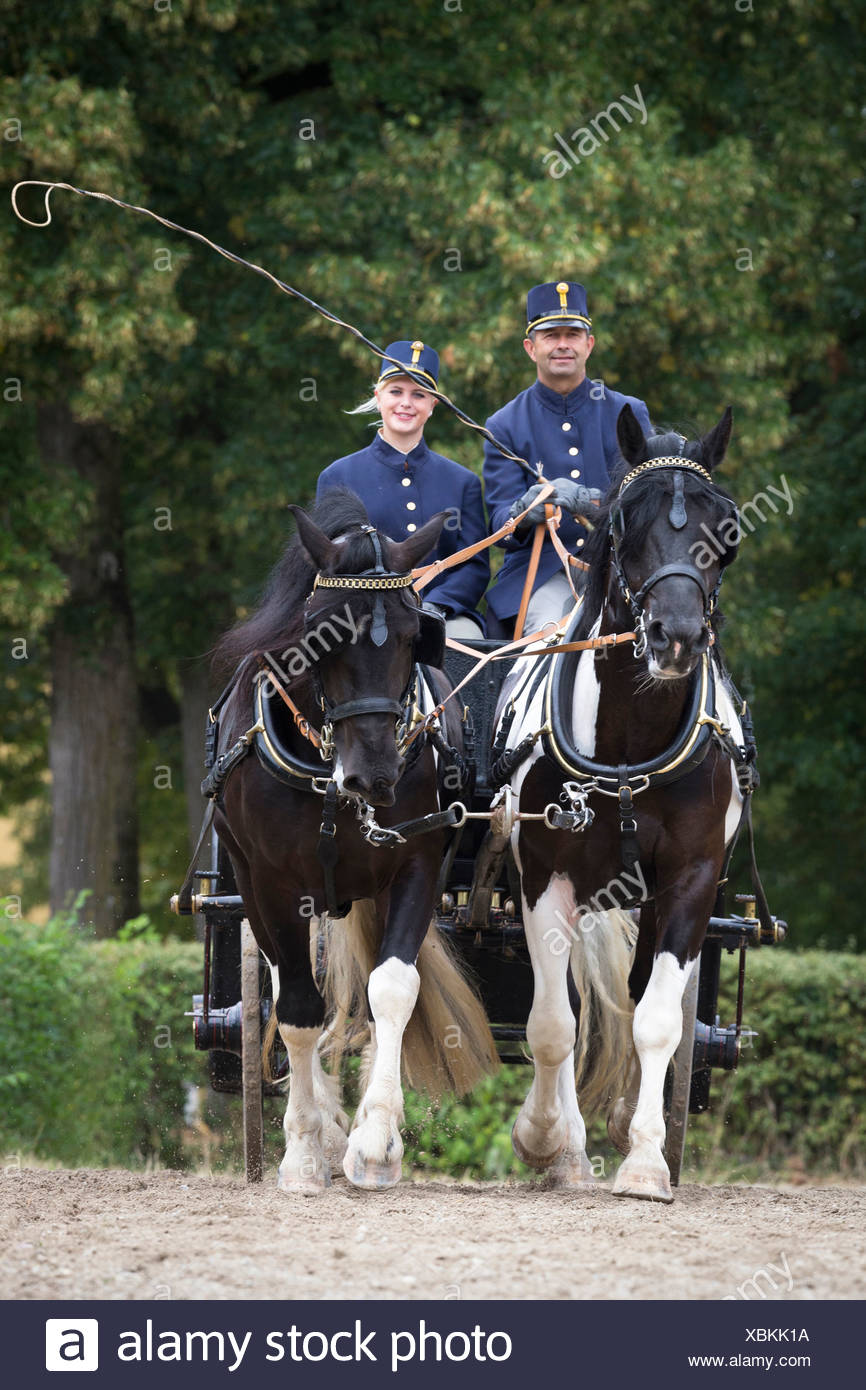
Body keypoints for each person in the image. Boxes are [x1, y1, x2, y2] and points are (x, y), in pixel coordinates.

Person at [482, 281, 653, 636]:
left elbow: (650, 503)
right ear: (531, 348)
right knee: (551, 635)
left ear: (588, 344)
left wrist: (590, 502)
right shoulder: (504, 424)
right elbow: (499, 526)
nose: (563, 344)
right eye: (551, 335)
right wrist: (523, 510)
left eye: (573, 334)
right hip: (541, 572)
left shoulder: (627, 411)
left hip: (619, 566)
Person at [316, 340, 488, 637]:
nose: (406, 403)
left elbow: (473, 567)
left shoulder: (463, 482)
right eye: (396, 392)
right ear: (378, 397)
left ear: (433, 405)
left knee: (469, 642)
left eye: (418, 394)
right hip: (356, 617)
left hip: (442, 617)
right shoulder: (338, 476)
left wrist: (435, 606)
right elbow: (327, 562)